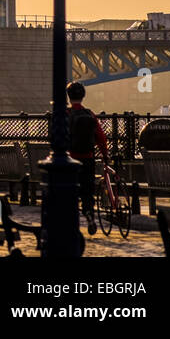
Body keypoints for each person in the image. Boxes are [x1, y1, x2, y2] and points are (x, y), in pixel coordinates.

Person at [68, 81, 111, 234]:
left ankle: (70, 223)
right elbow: (101, 137)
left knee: (69, 191)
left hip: (70, 161)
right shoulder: (90, 114)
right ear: (83, 96)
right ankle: (89, 215)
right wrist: (105, 155)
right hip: (87, 158)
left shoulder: (66, 114)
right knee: (87, 191)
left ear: (68, 96)